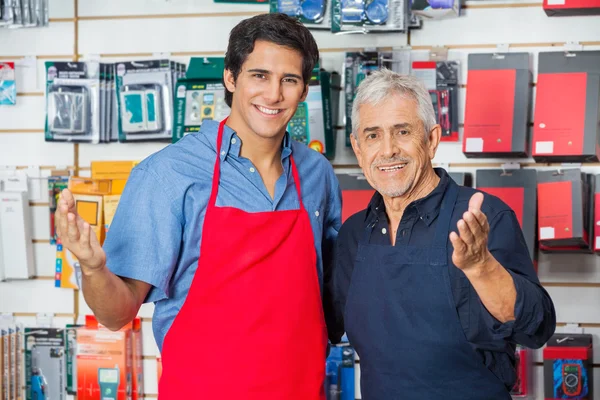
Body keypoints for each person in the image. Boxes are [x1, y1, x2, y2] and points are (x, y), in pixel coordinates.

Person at [55, 13, 342, 399]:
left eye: (289, 80)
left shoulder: (317, 174)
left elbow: (327, 295)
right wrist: (93, 268)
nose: (273, 94)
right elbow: (116, 313)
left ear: (304, 90)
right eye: (259, 75)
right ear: (230, 78)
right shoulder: (167, 174)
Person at [329, 69, 556, 399]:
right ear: (358, 148)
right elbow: (323, 329)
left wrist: (481, 268)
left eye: (402, 131)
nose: (388, 150)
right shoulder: (352, 236)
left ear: (432, 140)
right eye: (373, 135)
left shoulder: (484, 217)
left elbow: (537, 329)